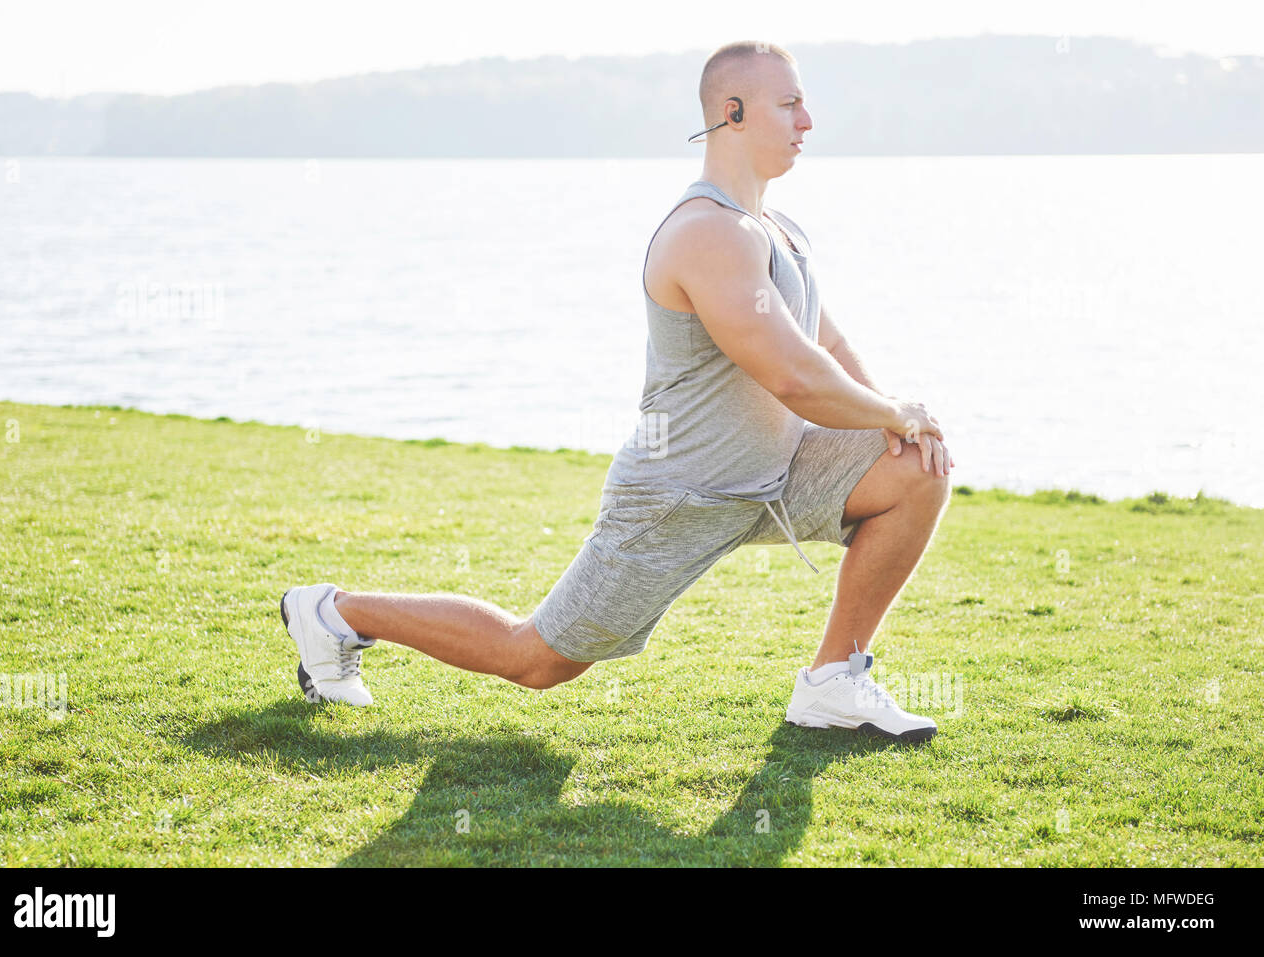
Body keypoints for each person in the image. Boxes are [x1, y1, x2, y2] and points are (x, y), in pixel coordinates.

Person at [280, 40, 953, 743]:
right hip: (677, 497)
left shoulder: (779, 231)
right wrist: (893, 410)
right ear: (733, 113)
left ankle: (833, 684)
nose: (808, 120)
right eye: (789, 104)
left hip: (775, 475)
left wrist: (892, 427)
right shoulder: (707, 234)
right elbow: (792, 375)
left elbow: (826, 345)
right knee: (534, 658)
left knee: (917, 469)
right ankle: (334, 612)